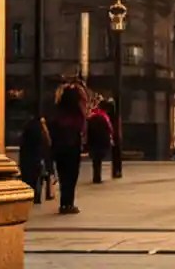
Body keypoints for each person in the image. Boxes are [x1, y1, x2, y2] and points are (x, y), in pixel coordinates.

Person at [48, 82, 88, 214]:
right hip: (72, 146)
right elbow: (81, 128)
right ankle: (68, 203)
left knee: (63, 174)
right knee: (71, 176)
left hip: (59, 147)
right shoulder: (77, 114)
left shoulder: (58, 112)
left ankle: (64, 203)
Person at [18, 115, 52, 203]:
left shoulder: (29, 128)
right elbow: (46, 144)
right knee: (37, 177)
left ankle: (32, 195)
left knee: (30, 177)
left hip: (28, 158)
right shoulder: (39, 129)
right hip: (37, 157)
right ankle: (36, 196)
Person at [86, 98, 114, 184]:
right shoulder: (104, 117)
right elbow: (110, 129)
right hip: (102, 140)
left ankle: (96, 176)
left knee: (95, 160)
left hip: (93, 140)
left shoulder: (92, 115)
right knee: (98, 159)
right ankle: (97, 177)